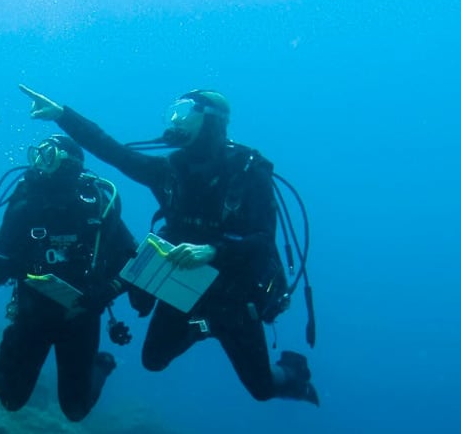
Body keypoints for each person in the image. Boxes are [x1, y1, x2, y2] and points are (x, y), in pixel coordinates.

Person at [18, 85, 319, 406]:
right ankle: (205, 327)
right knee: (153, 359)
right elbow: (114, 152)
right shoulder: (169, 171)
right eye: (172, 113)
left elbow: (262, 240)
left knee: (262, 389)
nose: (175, 121)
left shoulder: (248, 172)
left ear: (213, 121)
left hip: (235, 296)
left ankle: (294, 373)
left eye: (185, 113)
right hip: (185, 288)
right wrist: (62, 115)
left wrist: (213, 251)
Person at [0, 135, 147, 422]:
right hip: (34, 313)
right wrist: (14, 261)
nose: (39, 164)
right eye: (38, 156)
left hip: (82, 315)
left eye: (48, 157)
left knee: (76, 410)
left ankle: (104, 363)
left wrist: (107, 291)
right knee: (12, 399)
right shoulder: (25, 203)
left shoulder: (99, 204)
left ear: (70, 164)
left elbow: (135, 261)